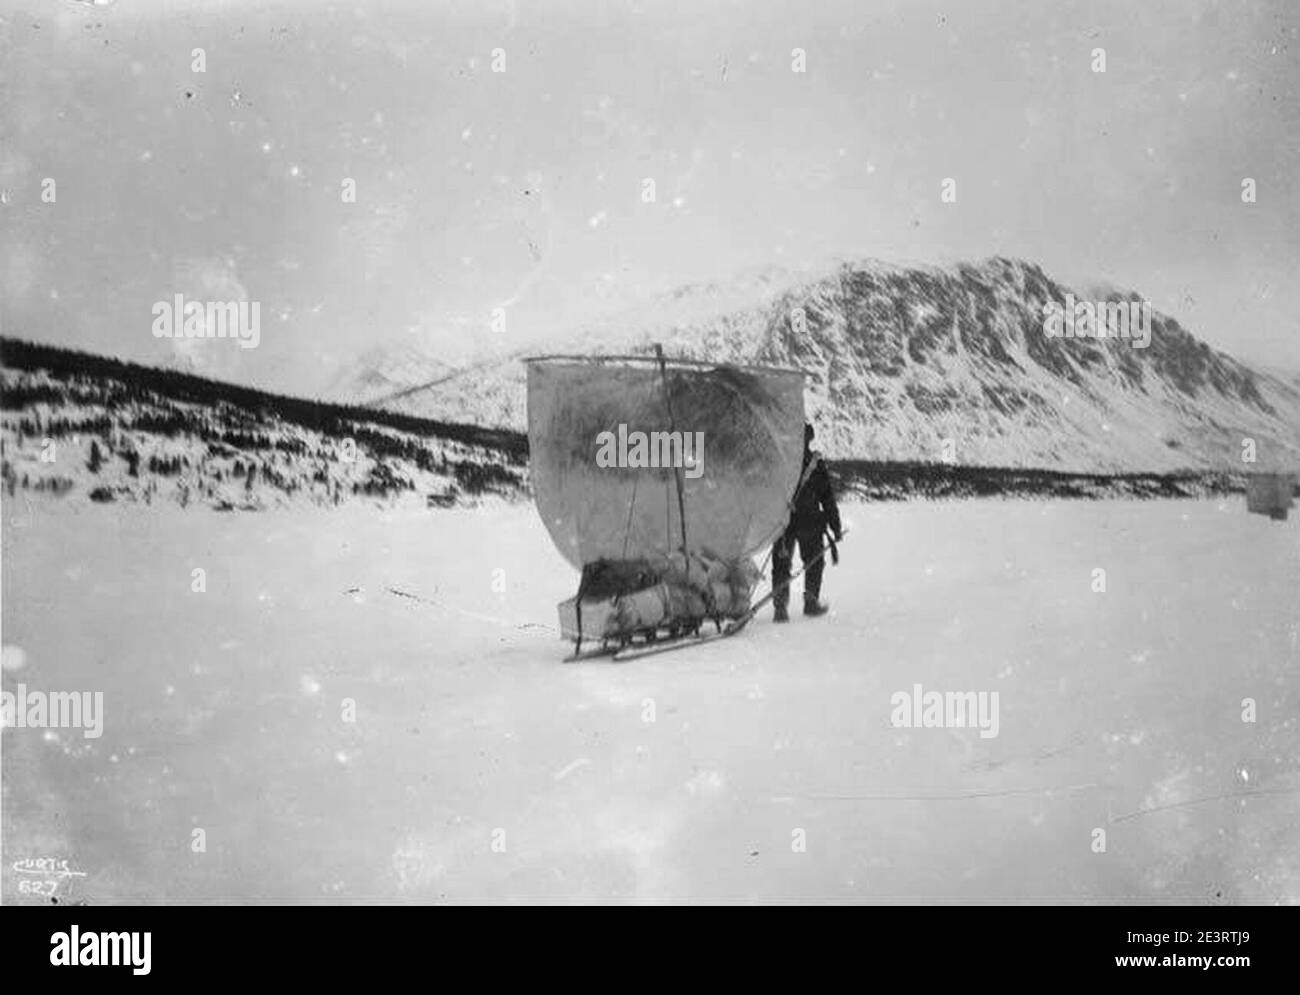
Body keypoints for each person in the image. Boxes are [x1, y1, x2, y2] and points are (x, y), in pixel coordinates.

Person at [771, 422, 842, 622]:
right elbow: (827, 497)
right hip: (810, 522)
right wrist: (835, 526)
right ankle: (810, 601)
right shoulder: (815, 463)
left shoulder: (781, 462)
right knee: (813, 562)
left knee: (781, 563)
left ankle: (780, 607)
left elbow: (770, 493)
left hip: (784, 521)